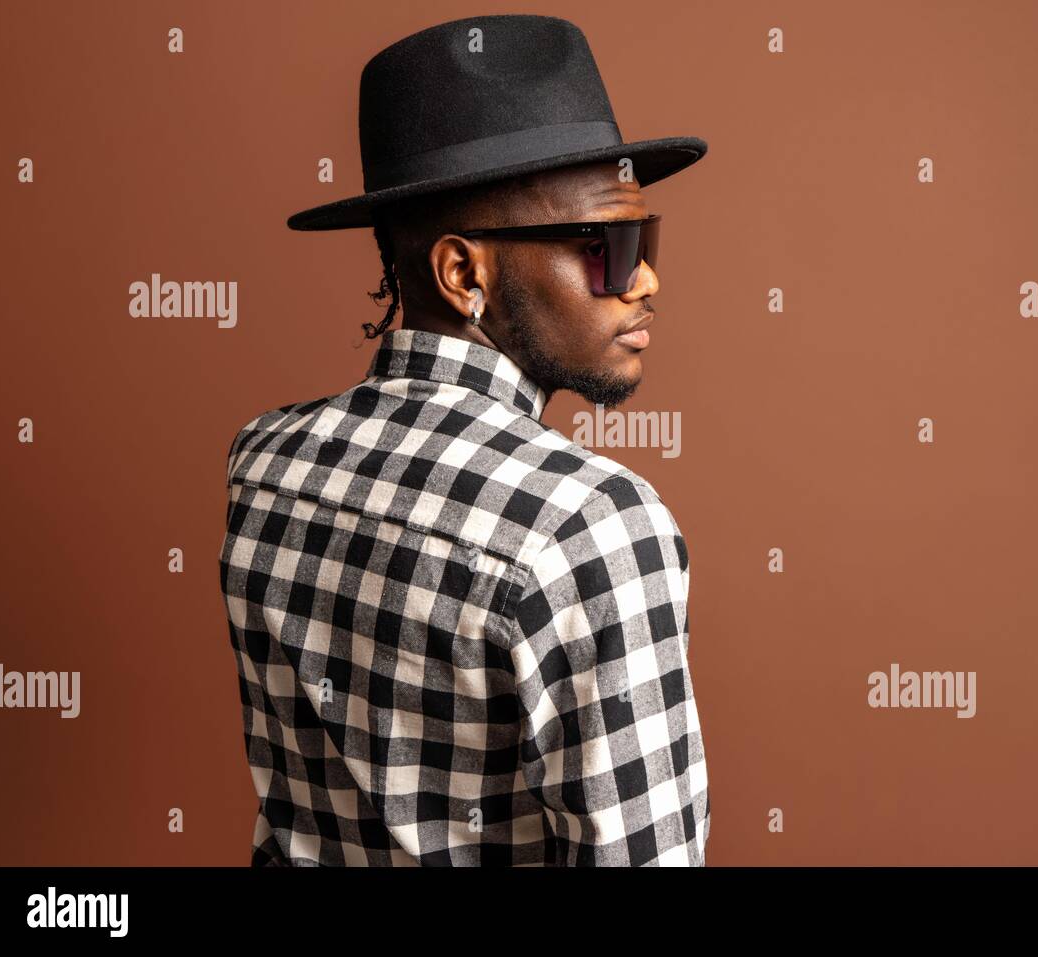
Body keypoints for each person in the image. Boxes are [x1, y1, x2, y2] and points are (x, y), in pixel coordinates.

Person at [218, 14, 711, 866]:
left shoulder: (262, 464)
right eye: (609, 245)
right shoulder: (591, 526)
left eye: (645, 241)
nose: (647, 278)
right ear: (463, 273)